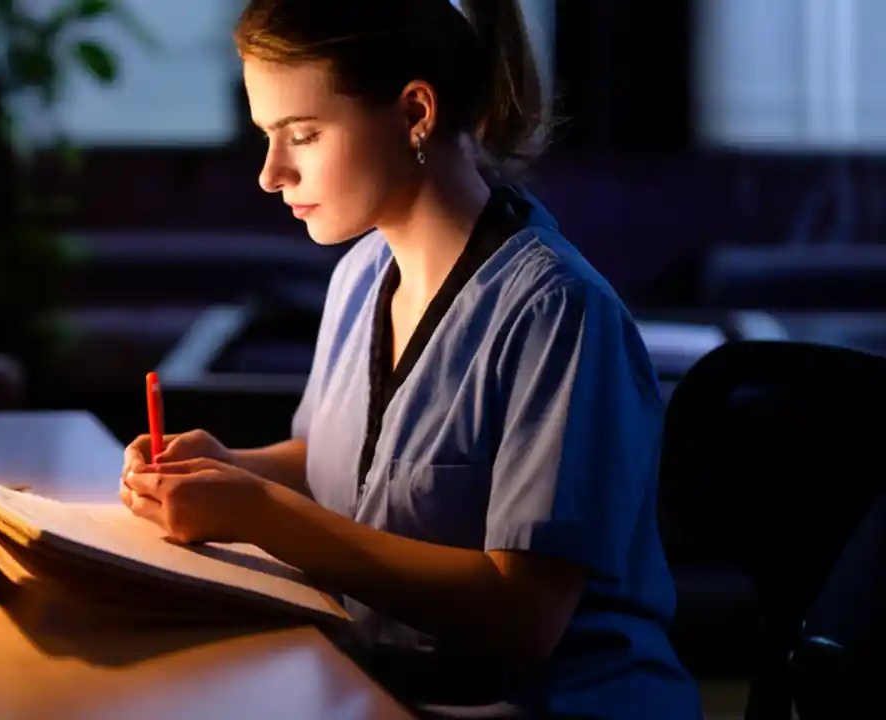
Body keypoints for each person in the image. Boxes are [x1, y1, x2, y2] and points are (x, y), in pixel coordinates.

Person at [119, 0, 701, 717]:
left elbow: (524, 616)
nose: (271, 174)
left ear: (415, 113)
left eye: (301, 134)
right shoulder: (361, 274)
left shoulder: (555, 313)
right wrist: (228, 467)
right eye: (268, 137)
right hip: (379, 687)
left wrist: (260, 514)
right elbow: (348, 460)